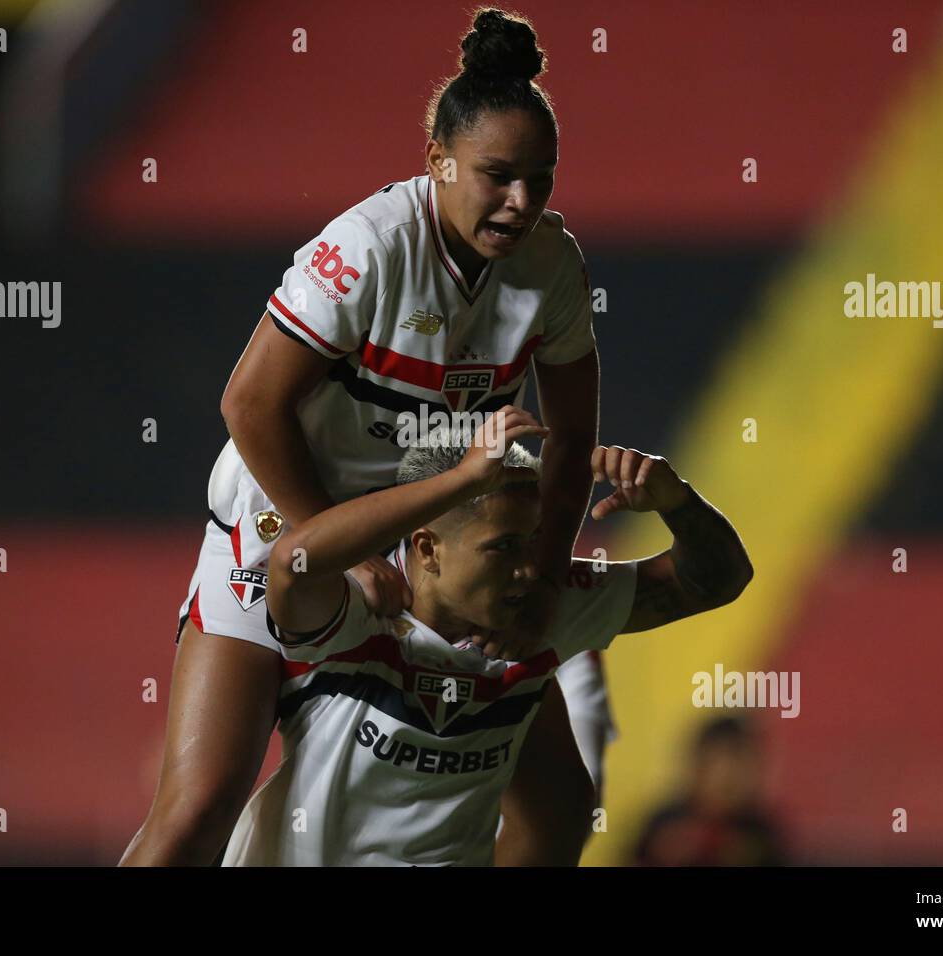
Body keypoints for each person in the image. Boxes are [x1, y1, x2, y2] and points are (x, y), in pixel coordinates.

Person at [122, 9, 605, 865]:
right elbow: (250, 404)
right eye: (497, 176)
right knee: (196, 810)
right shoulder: (369, 248)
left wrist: (542, 569)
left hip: (426, 559)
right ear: (438, 160)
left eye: (540, 179)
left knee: (562, 803)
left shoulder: (552, 265)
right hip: (284, 531)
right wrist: (339, 551)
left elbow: (571, 436)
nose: (521, 202)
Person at [224, 408, 753, 865]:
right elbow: (291, 564)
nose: (530, 568)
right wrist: (463, 480)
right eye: (504, 547)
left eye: (534, 541)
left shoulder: (540, 610)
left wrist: (677, 502)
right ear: (427, 549)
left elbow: (718, 581)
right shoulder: (357, 608)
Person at [633, 716, 785, 867]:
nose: (730, 777)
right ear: (698, 767)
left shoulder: (760, 835)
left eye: (741, 765)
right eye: (719, 764)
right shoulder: (666, 827)